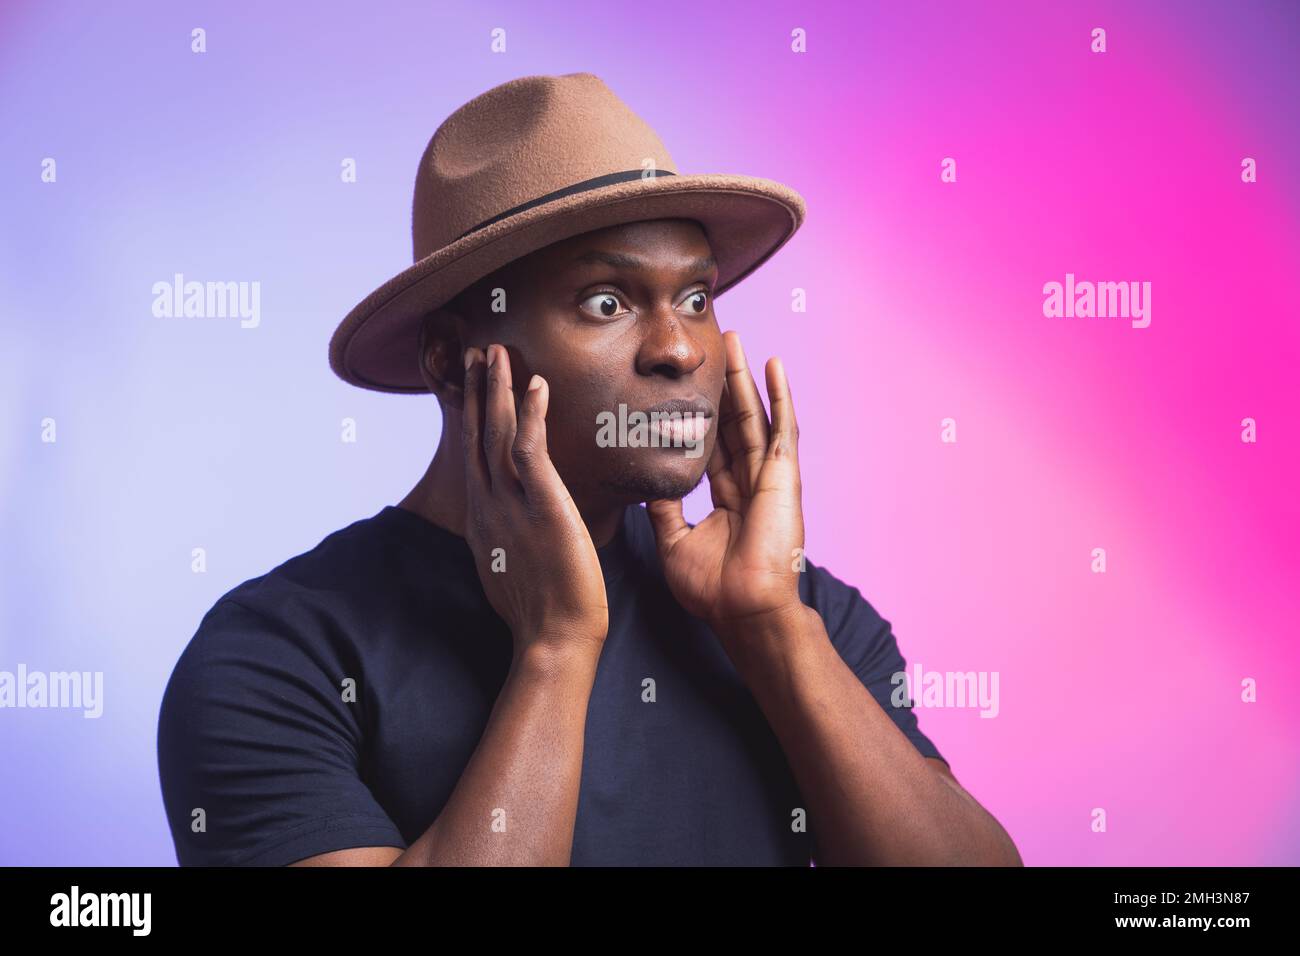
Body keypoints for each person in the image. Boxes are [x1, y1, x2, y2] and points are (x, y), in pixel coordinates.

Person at [157, 72, 1021, 866]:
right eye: (606, 303)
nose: (682, 348)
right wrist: (556, 648)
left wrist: (772, 628)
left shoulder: (805, 615)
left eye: (695, 297)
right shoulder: (280, 654)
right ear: (454, 359)